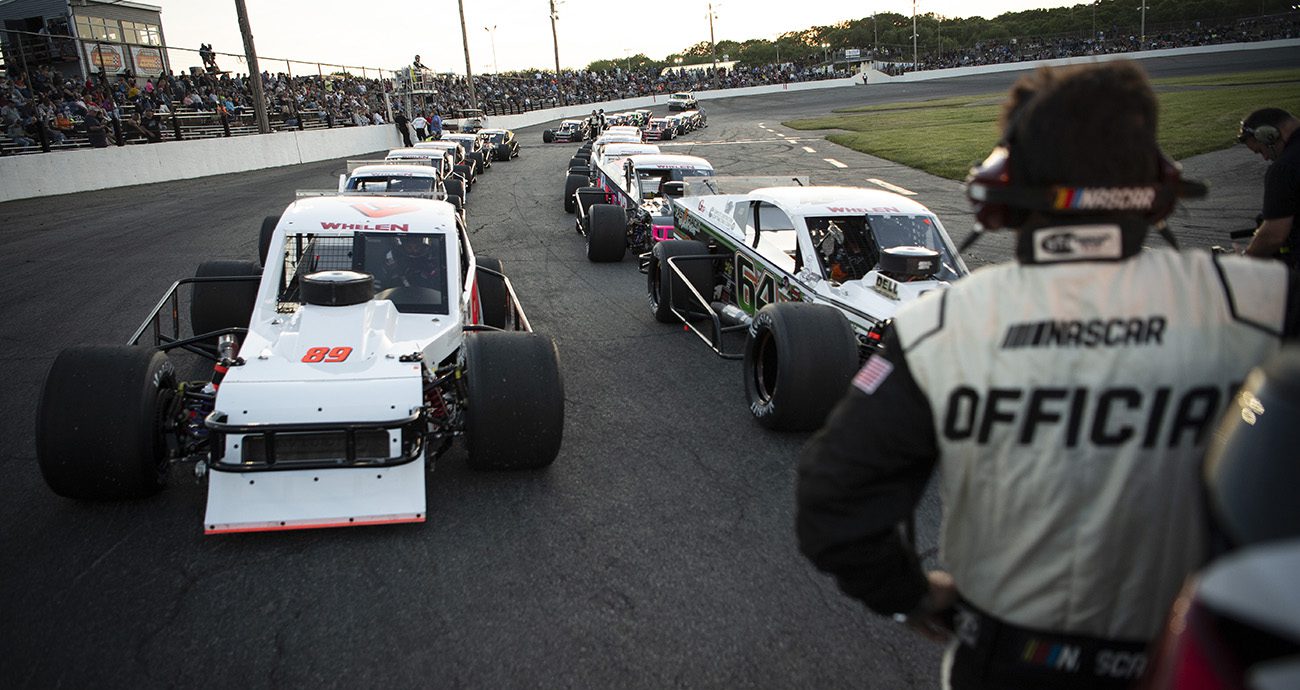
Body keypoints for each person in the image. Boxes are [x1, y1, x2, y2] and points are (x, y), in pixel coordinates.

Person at [796, 60, 1300, 690]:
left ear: (997, 193)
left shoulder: (942, 324)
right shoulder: (1262, 302)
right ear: (1161, 189)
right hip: (1195, 662)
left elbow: (828, 499)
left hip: (1004, 662)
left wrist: (913, 595)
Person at [1238, 108, 1299, 268]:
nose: (1266, 157)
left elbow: (1274, 235)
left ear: (1269, 135)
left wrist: (1244, 261)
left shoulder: (1284, 168)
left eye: (1261, 150)